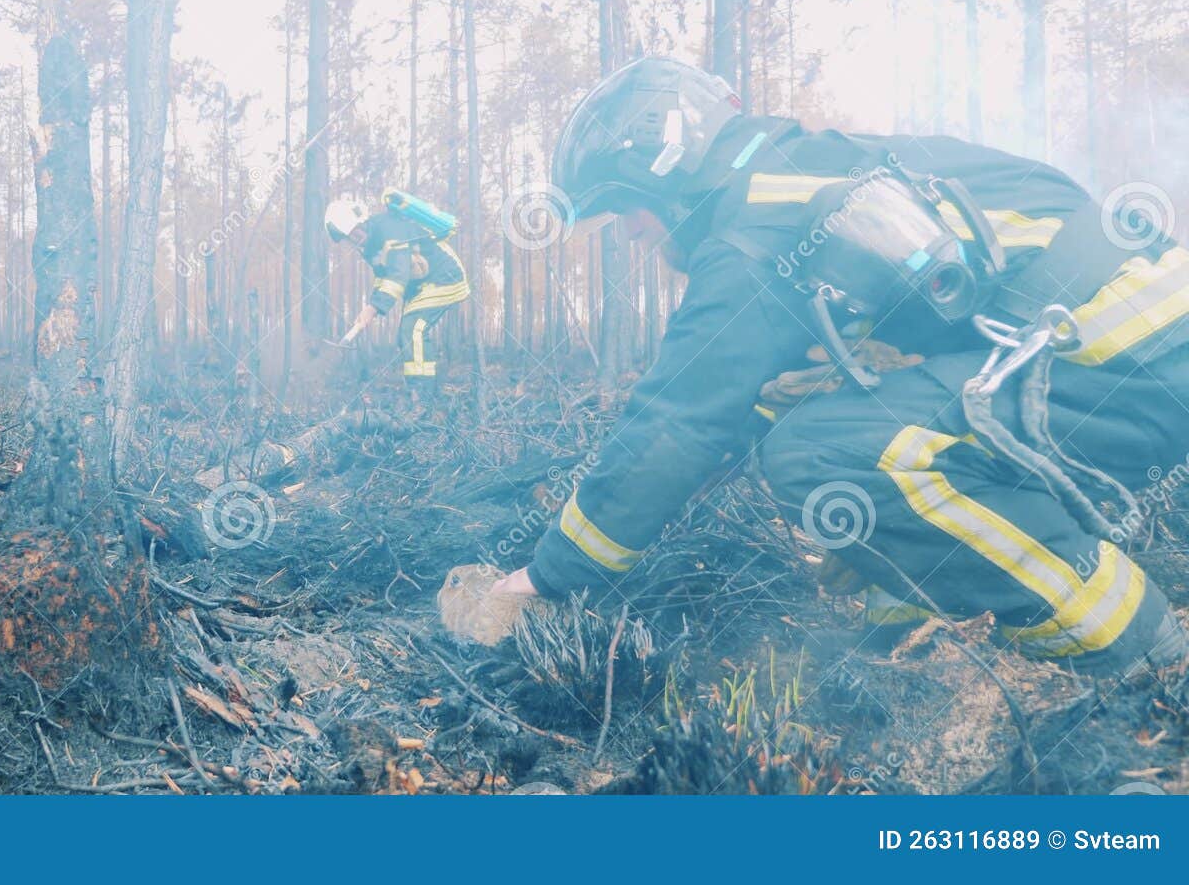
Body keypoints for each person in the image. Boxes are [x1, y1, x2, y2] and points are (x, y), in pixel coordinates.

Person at [490, 56, 1189, 676]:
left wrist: (551, 576)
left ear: (662, 172)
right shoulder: (815, 166)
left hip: (1121, 360)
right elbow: (746, 404)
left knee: (818, 454)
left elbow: (678, 422)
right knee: (828, 415)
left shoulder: (752, 230)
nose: (631, 234)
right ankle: (898, 625)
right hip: (1139, 343)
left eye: (624, 211)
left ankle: (1123, 645)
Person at [325, 192, 470, 394]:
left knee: (413, 332)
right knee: (405, 338)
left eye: (354, 233)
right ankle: (423, 391)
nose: (354, 240)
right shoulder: (369, 246)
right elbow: (383, 277)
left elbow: (398, 275)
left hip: (445, 277)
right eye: (349, 238)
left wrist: (374, 307)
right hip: (421, 286)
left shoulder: (389, 229)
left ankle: (423, 399)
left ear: (362, 222)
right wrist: (370, 309)